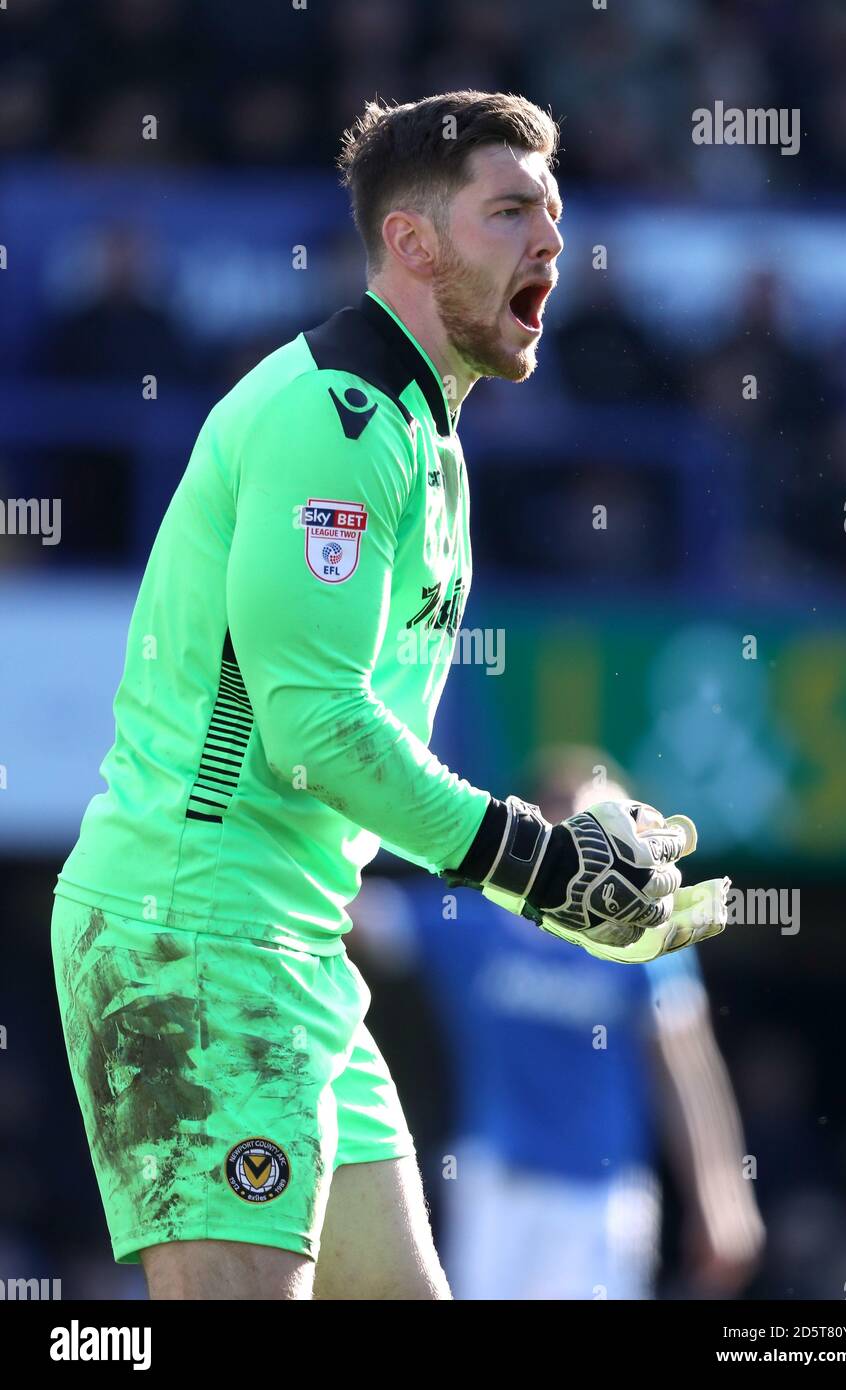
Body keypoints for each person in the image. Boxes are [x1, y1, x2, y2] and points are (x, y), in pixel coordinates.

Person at [50, 91, 726, 1302]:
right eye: (510, 211)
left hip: (292, 948)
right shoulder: (334, 416)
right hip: (196, 933)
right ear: (413, 244)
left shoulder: (428, 438)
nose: (551, 244)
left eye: (555, 216)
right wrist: (537, 862)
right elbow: (314, 727)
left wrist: (540, 865)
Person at [353, 749, 765, 1299]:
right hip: (496, 1186)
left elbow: (687, 1071)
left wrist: (722, 1196)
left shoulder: (643, 942)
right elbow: (354, 911)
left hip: (603, 1194)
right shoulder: (472, 921)